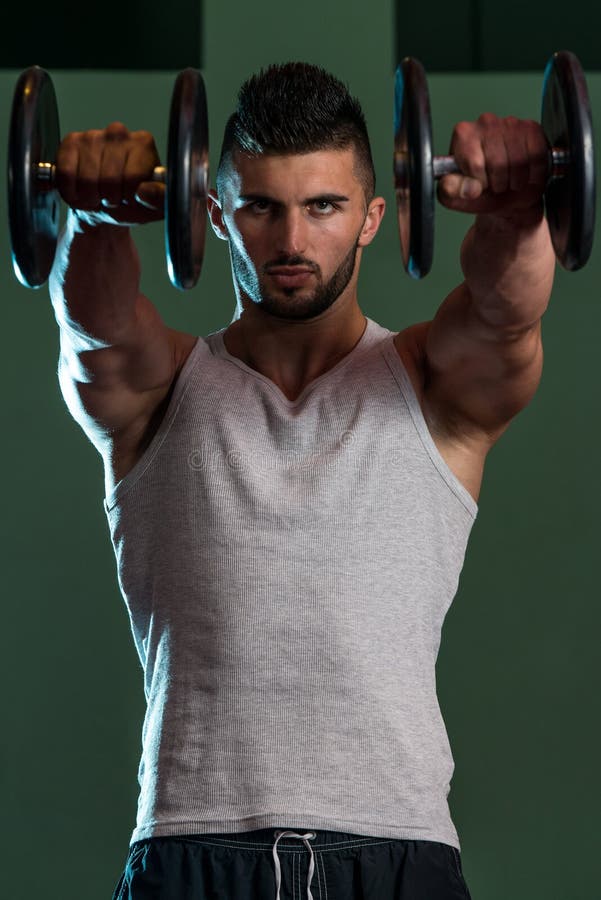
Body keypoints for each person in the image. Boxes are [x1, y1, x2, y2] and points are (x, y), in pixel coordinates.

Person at [50, 62, 554, 900]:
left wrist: (514, 206)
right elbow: (95, 331)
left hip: (396, 849)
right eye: (260, 206)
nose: (291, 241)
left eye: (323, 206)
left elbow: (505, 317)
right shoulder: (160, 391)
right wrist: (95, 214)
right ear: (214, 213)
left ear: (372, 217)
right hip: (193, 844)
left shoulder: (430, 389)